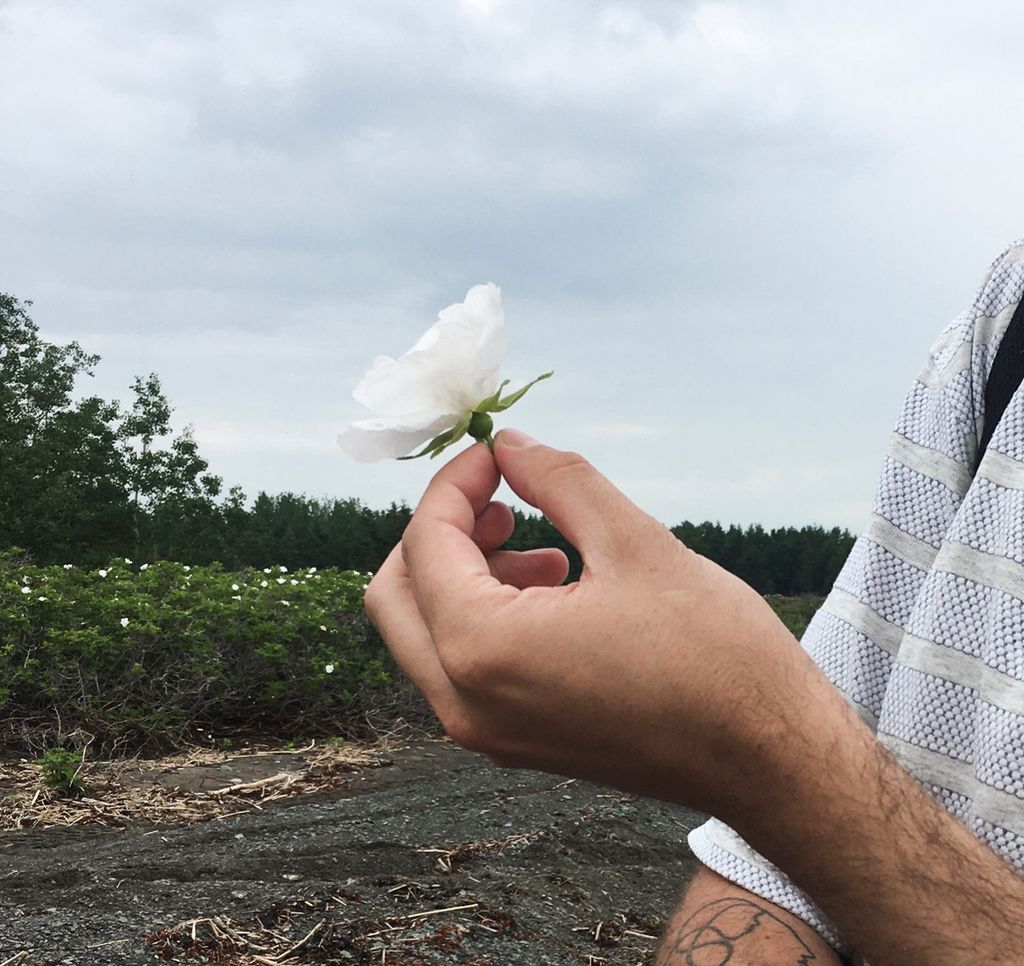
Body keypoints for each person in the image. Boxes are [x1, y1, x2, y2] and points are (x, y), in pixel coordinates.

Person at [365, 241, 1024, 965]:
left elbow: (825, 780)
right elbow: (787, 860)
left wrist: (763, 755)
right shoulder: (1003, 316)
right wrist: (785, 765)